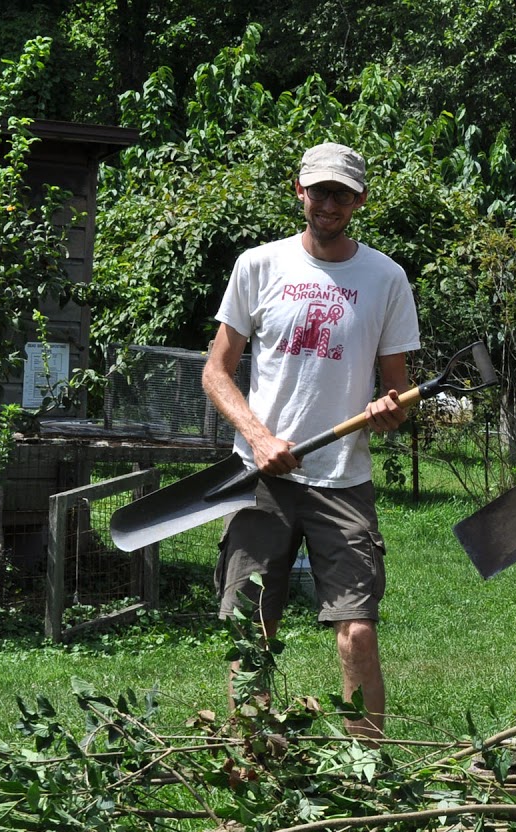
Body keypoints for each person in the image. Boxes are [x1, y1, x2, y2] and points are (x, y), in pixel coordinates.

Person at [201, 142, 420, 738]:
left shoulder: (385, 278)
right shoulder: (258, 264)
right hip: (261, 478)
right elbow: (217, 370)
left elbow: (399, 393)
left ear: (359, 201)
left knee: (357, 626)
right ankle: (253, 761)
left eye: (342, 194)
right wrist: (258, 436)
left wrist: (387, 409)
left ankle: (366, 771)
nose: (329, 203)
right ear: (299, 191)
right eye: (319, 190)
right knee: (250, 628)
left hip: (341, 480)